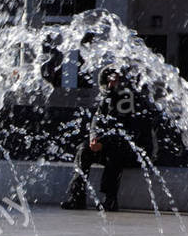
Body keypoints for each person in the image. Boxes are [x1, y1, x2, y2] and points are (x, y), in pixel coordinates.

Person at [61, 69, 147, 212]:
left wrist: (103, 142)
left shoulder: (128, 97)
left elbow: (127, 129)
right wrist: (94, 139)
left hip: (132, 149)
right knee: (83, 150)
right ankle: (77, 197)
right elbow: (97, 120)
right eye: (109, 79)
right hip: (107, 143)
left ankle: (110, 199)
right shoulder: (106, 97)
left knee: (115, 153)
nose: (111, 83)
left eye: (115, 79)